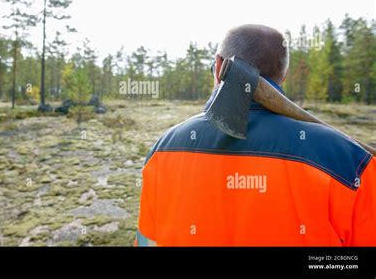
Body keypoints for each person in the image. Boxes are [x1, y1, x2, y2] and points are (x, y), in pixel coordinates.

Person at [136, 24, 376, 246]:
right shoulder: (351, 164)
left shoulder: (164, 149)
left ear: (218, 67)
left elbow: (148, 240)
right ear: (284, 75)